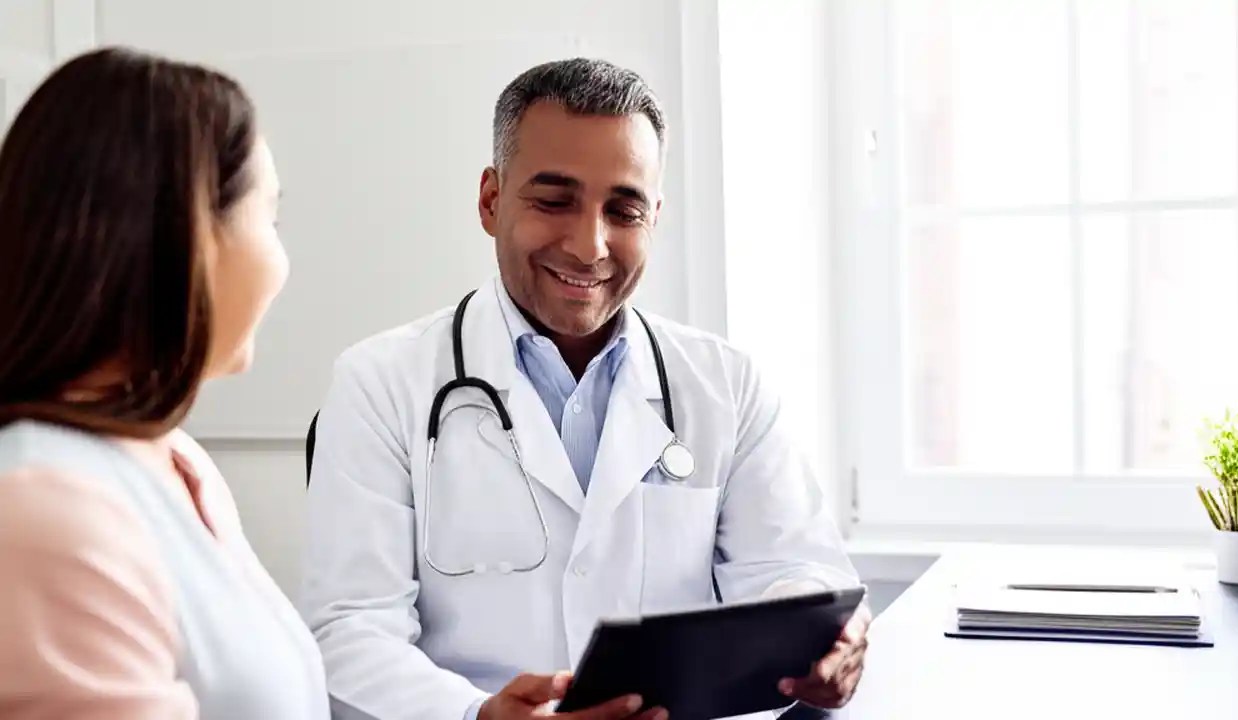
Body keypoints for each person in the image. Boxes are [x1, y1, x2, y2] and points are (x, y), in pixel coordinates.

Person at [301, 58, 870, 720]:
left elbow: (795, 571)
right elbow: (348, 631)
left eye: (623, 210)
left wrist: (828, 645)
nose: (589, 245)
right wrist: (477, 715)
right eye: (553, 201)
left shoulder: (726, 385)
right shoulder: (380, 384)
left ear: (654, 216)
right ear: (491, 201)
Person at [0, 48, 328, 718]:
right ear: (188, 236)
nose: (283, 261)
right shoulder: (46, 507)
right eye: (270, 218)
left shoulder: (174, 458)